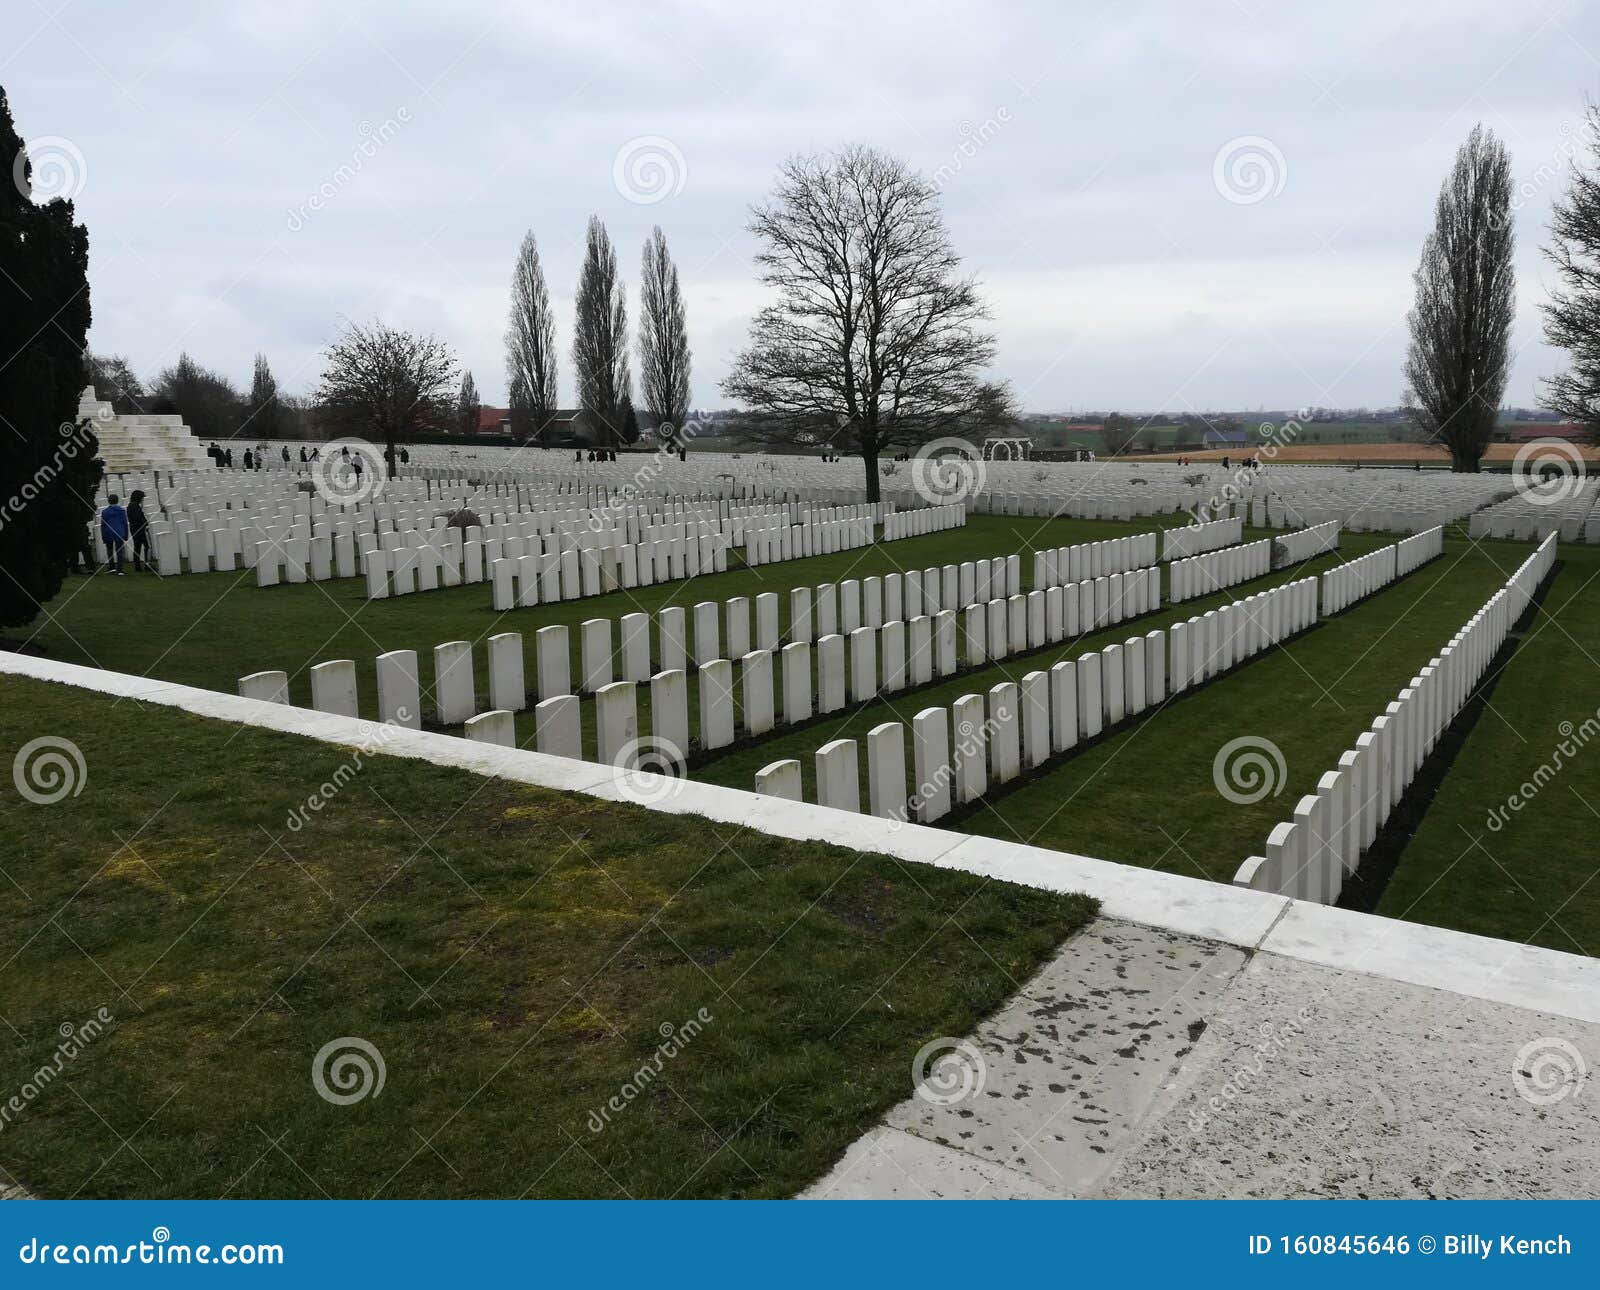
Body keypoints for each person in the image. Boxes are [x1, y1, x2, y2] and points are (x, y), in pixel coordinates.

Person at [100, 494, 130, 574]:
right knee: (119, 551)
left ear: (108, 501)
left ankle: (111, 567)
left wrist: (103, 536)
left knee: (110, 551)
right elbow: (125, 523)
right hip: (119, 532)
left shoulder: (105, 512)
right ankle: (120, 569)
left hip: (108, 532)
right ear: (117, 500)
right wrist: (126, 535)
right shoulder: (122, 511)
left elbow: (103, 525)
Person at [128, 489, 152, 572]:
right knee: (147, 546)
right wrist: (145, 524)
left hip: (134, 529)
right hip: (140, 529)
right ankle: (147, 564)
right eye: (142, 497)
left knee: (137, 547)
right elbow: (139, 517)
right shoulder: (135, 506)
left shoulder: (131, 505)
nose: (142, 499)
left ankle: (138, 567)